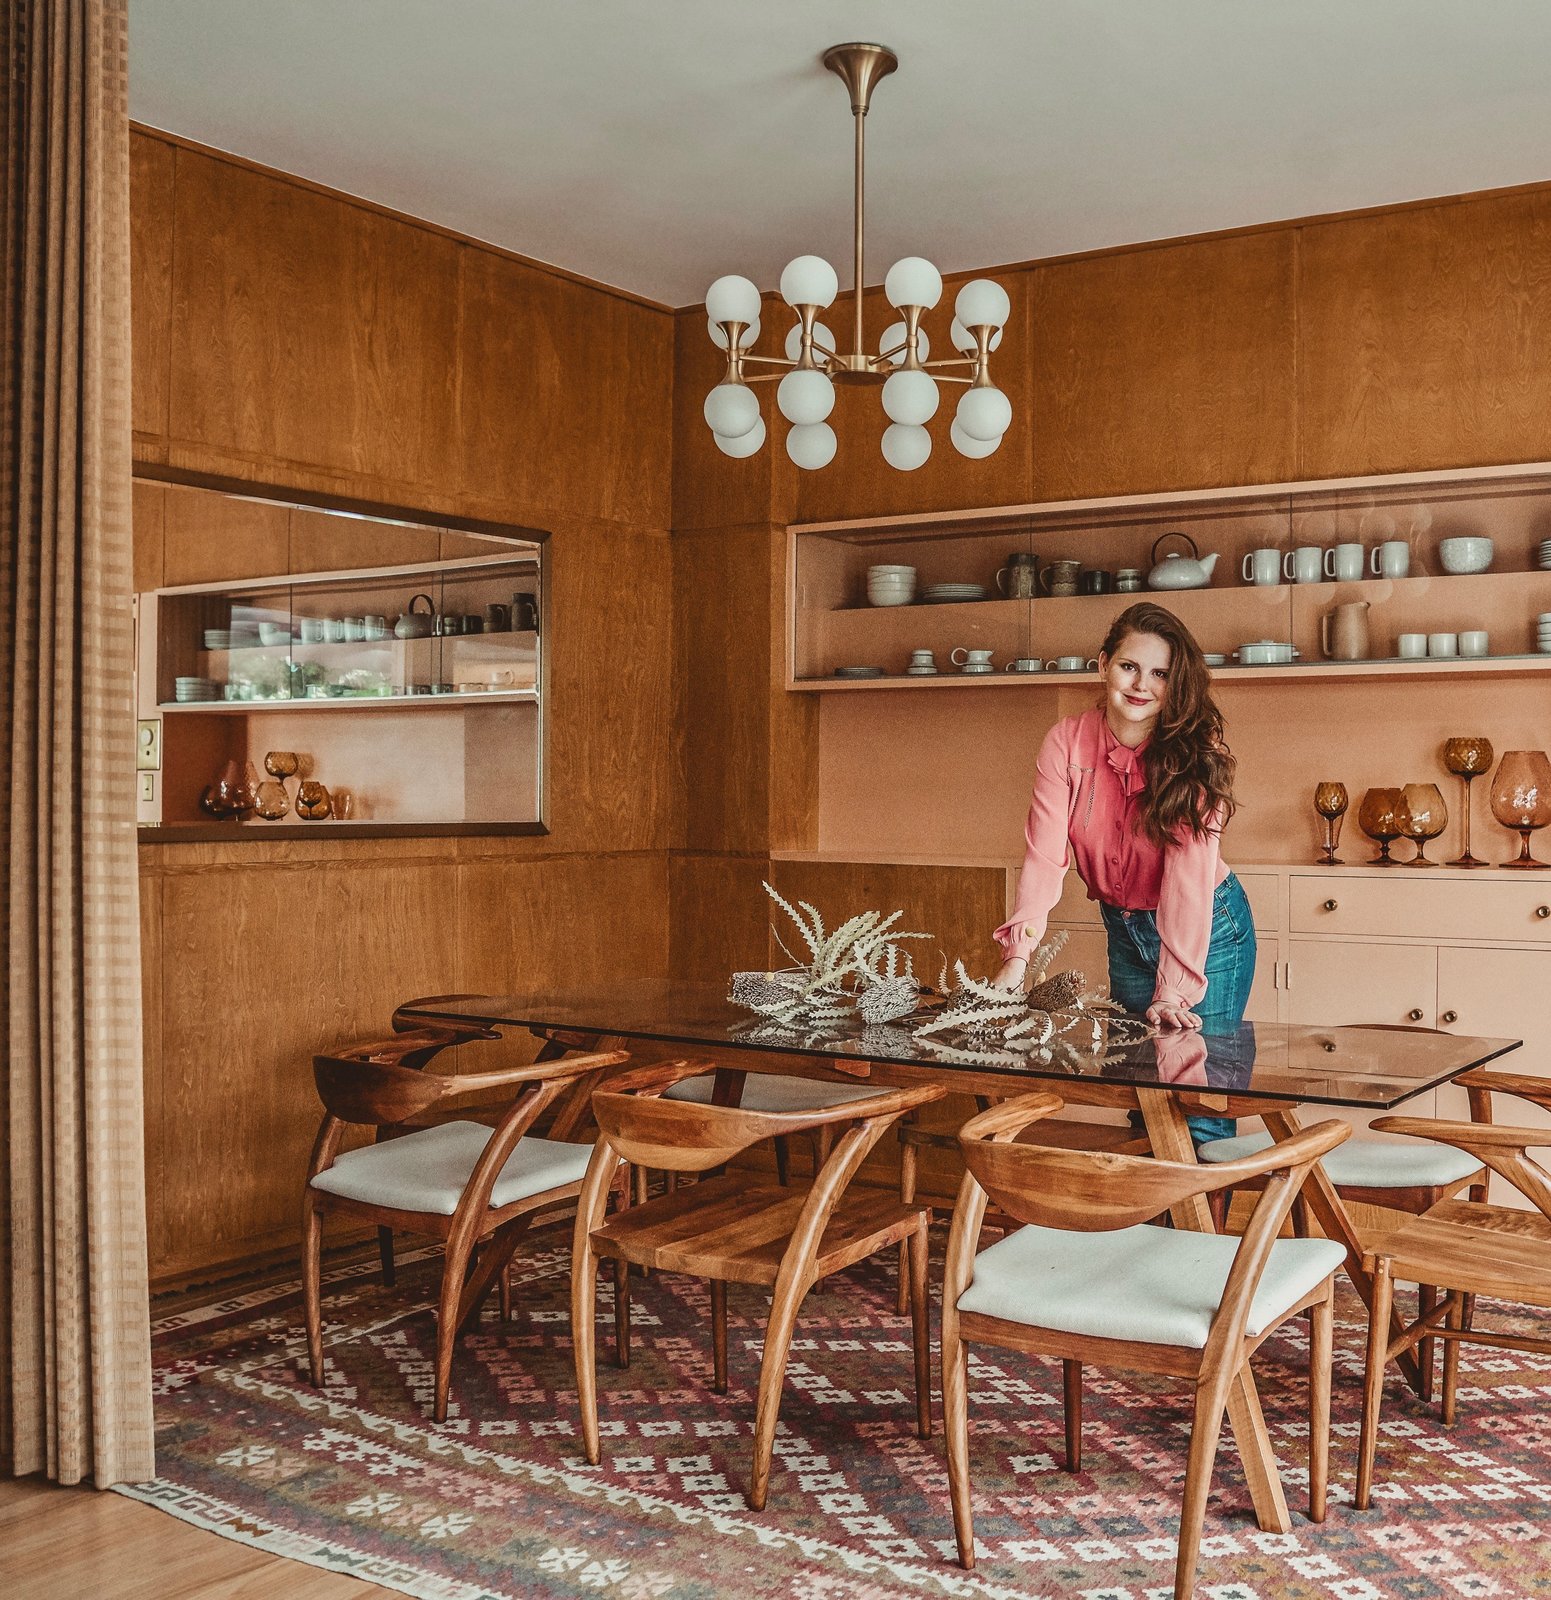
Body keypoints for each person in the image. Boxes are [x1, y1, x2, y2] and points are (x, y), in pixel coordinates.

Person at [991, 601, 1254, 1142]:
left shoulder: (1191, 761)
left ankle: (1205, 1230)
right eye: (1130, 666)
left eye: (1160, 674)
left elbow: (1185, 881)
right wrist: (1016, 961)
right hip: (1124, 926)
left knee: (1197, 1106)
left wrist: (1174, 990)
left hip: (1209, 927)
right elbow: (1045, 854)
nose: (1141, 685)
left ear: (1175, 685)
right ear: (1103, 664)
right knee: (1140, 1099)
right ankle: (1153, 1227)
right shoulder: (1066, 742)